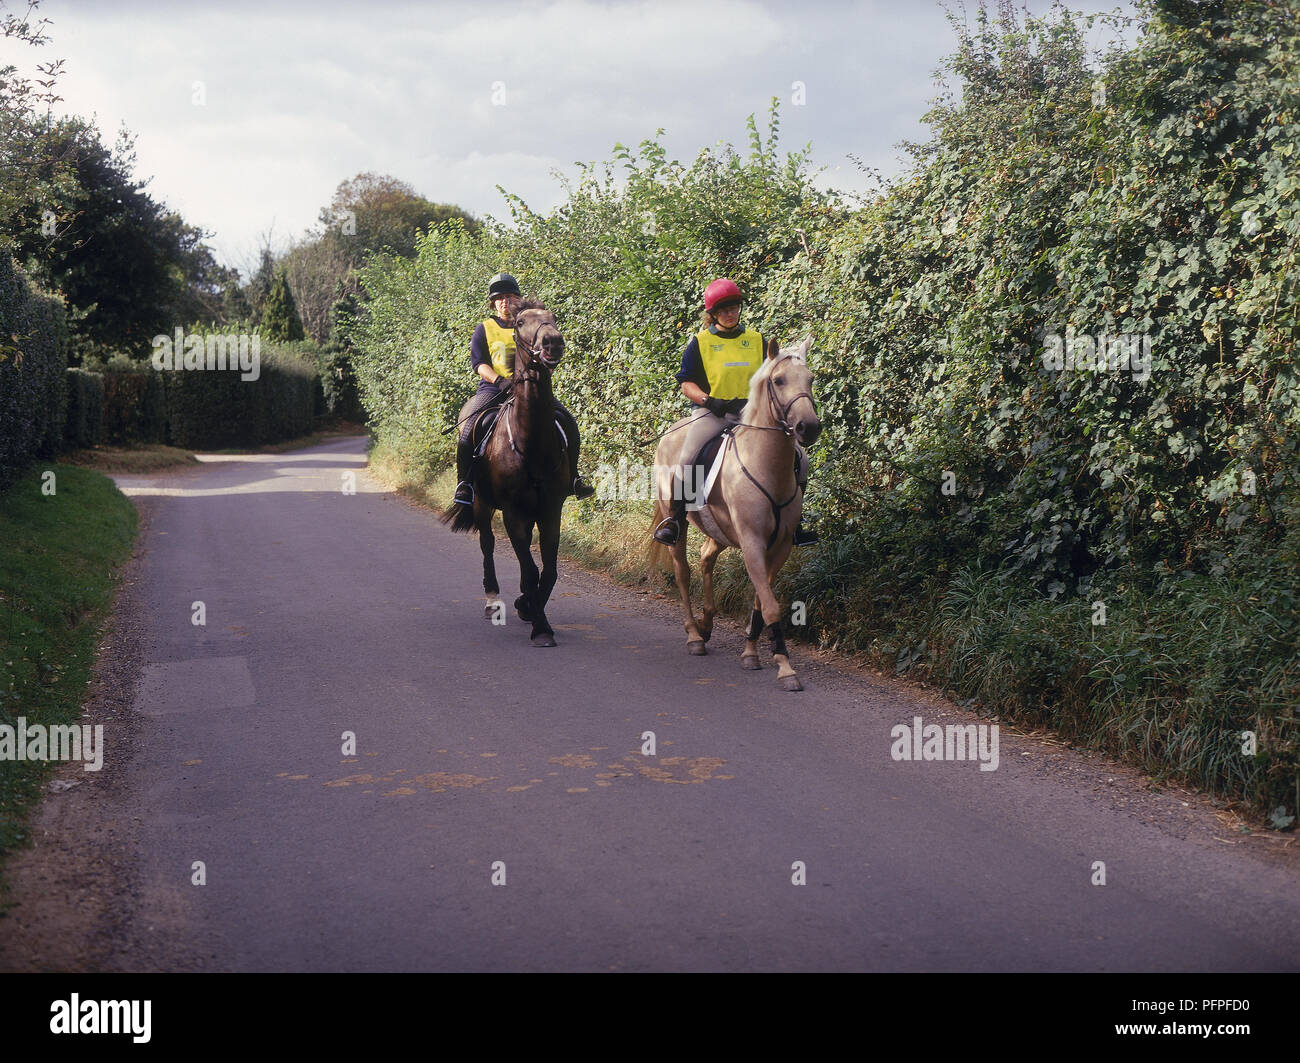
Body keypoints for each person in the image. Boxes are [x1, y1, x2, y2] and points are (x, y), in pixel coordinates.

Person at [651, 277, 818, 546]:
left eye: (734, 308)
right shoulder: (700, 342)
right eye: (723, 310)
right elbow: (686, 384)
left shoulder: (756, 340)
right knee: (687, 459)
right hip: (713, 414)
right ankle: (674, 519)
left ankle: (796, 523)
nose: (730, 314)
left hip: (752, 416)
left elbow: (777, 375)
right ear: (712, 314)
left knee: (801, 457)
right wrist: (709, 400)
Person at [453, 272, 594, 506]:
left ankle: (574, 478)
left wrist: (543, 375)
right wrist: (500, 381)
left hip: (530, 391)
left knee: (568, 421)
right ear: (493, 303)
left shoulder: (531, 325)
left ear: (517, 300)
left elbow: (547, 356)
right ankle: (465, 484)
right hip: (493, 389)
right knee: (469, 427)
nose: (505, 302)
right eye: (499, 298)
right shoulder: (484, 329)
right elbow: (479, 364)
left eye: (509, 296)